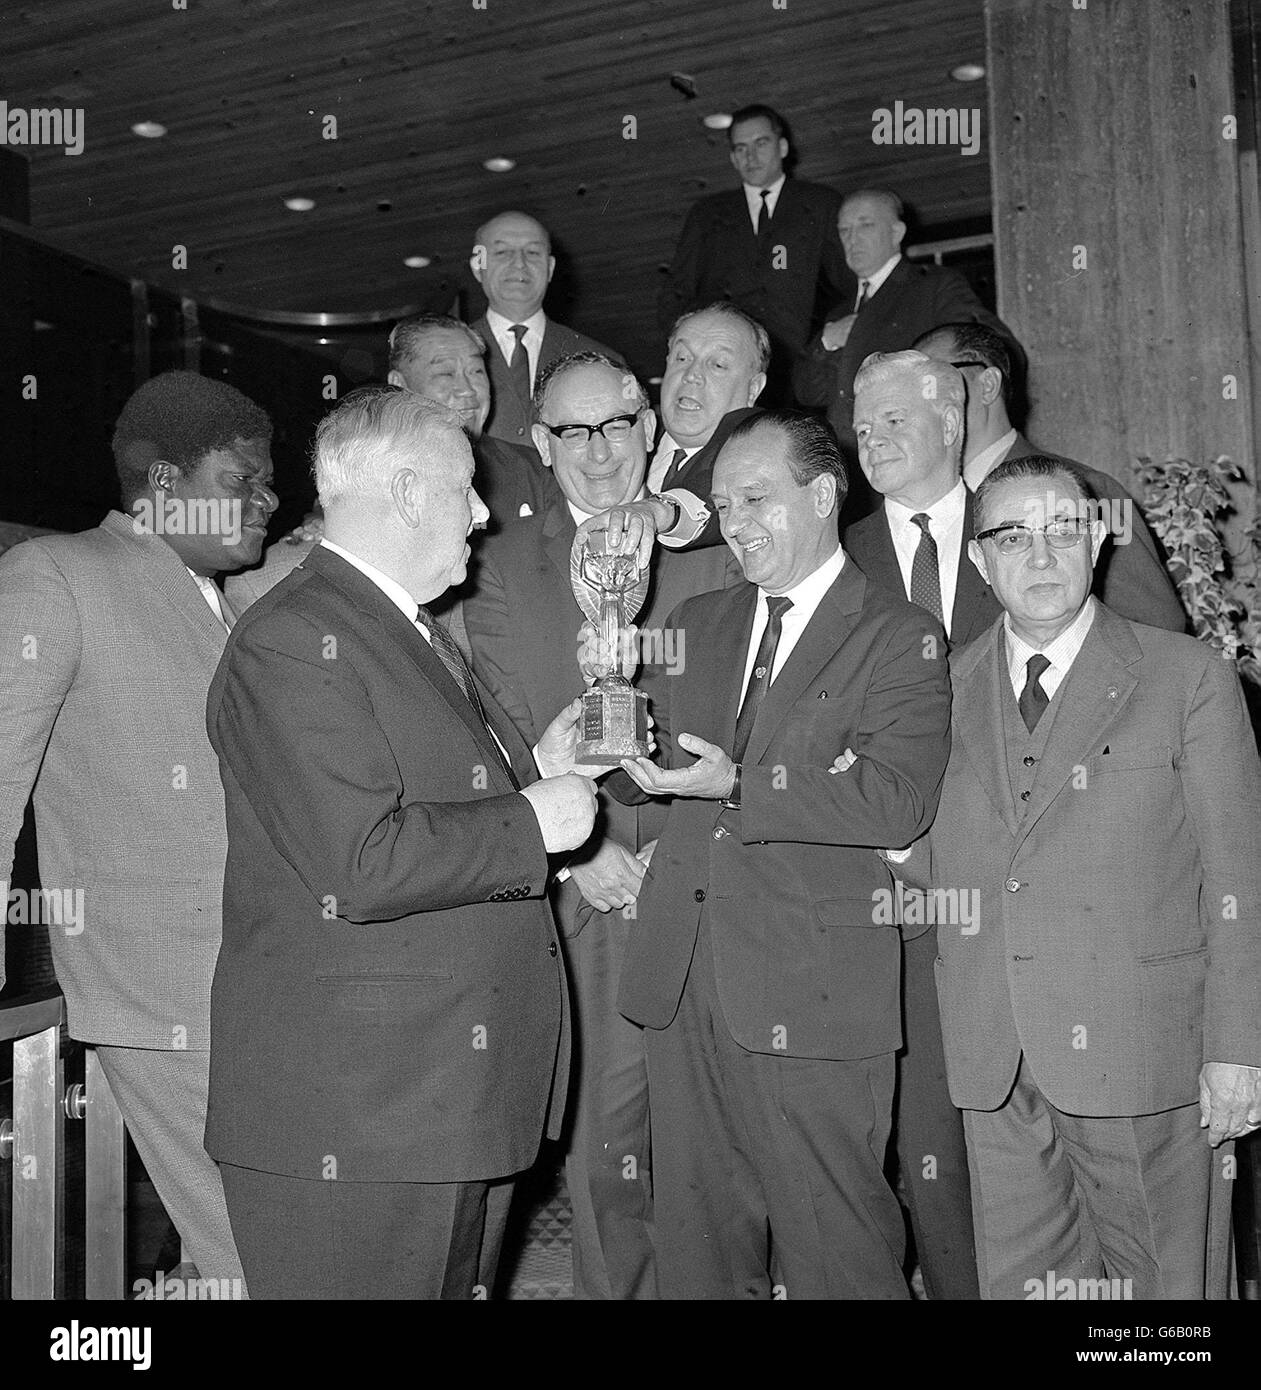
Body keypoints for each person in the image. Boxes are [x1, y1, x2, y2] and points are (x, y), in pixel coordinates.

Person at [204, 388, 601, 1299]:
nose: (481, 512)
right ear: (410, 491)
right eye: (465, 489)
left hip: (436, 1103)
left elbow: (415, 797)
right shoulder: (296, 639)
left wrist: (532, 765)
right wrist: (532, 821)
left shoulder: (394, 626)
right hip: (362, 1117)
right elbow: (360, 863)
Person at [882, 453, 1261, 1299]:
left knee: (1169, 1299)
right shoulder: (939, 688)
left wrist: (1239, 1048)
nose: (1041, 556)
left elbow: (1243, 876)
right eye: (1012, 537)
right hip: (996, 1061)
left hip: (1149, 1057)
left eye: (1062, 531)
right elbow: (937, 875)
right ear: (978, 561)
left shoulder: (1186, 678)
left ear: (1097, 544)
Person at [602, 410, 952, 1298]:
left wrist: (739, 786)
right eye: (721, 503)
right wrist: (612, 761)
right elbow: (664, 771)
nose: (734, 521)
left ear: (825, 494)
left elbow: (897, 797)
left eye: (755, 497)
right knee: (699, 1243)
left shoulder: (896, 632)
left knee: (837, 1243)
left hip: (815, 981)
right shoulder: (698, 618)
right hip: (683, 980)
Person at [462, 351, 743, 1300]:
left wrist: (685, 842)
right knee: (607, 1147)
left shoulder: (717, 547)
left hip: (709, 871)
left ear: (652, 430)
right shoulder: (491, 562)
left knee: (721, 1139)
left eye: (618, 424)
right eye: (573, 431)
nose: (598, 449)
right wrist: (579, 851)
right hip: (586, 884)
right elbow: (489, 717)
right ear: (541, 445)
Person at [0, 369, 278, 1292]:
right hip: (163, 990)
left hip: (262, 979)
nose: (268, 498)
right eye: (241, 480)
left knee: (248, 1255)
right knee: (262, 1252)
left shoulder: (228, 600)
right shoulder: (57, 575)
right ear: (163, 486)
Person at [843, 351, 987, 1300]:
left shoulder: (1035, 524)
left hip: (1019, 888)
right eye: (861, 427)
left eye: (894, 419)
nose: (874, 440)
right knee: (924, 1143)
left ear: (953, 417)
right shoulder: (834, 550)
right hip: (883, 894)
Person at [912, 322, 1186, 632]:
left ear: (987, 385)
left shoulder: (1094, 491)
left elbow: (1156, 625)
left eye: (932, 382)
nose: (918, 402)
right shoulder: (922, 509)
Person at [792, 189, 1016, 483]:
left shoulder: (932, 286)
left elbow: (996, 347)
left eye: (865, 225)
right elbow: (807, 392)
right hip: (853, 467)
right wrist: (827, 340)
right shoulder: (839, 310)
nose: (852, 238)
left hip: (912, 460)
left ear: (897, 232)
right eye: (844, 230)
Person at [657, 103, 850, 404]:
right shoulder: (707, 215)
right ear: (733, 157)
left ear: (783, 147)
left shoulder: (821, 204)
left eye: (761, 143)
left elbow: (848, 285)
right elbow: (677, 295)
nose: (751, 156)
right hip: (727, 381)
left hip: (804, 377)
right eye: (741, 148)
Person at [572, 303, 769, 565]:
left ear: (753, 388)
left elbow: (715, 499)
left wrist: (657, 512)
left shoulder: (764, 447)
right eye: (682, 358)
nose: (692, 375)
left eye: (718, 364)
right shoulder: (622, 435)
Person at [470, 211, 622, 445]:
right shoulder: (447, 353)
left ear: (550, 268)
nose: (519, 263)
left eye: (532, 252)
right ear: (477, 265)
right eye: (502, 252)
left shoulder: (603, 359)